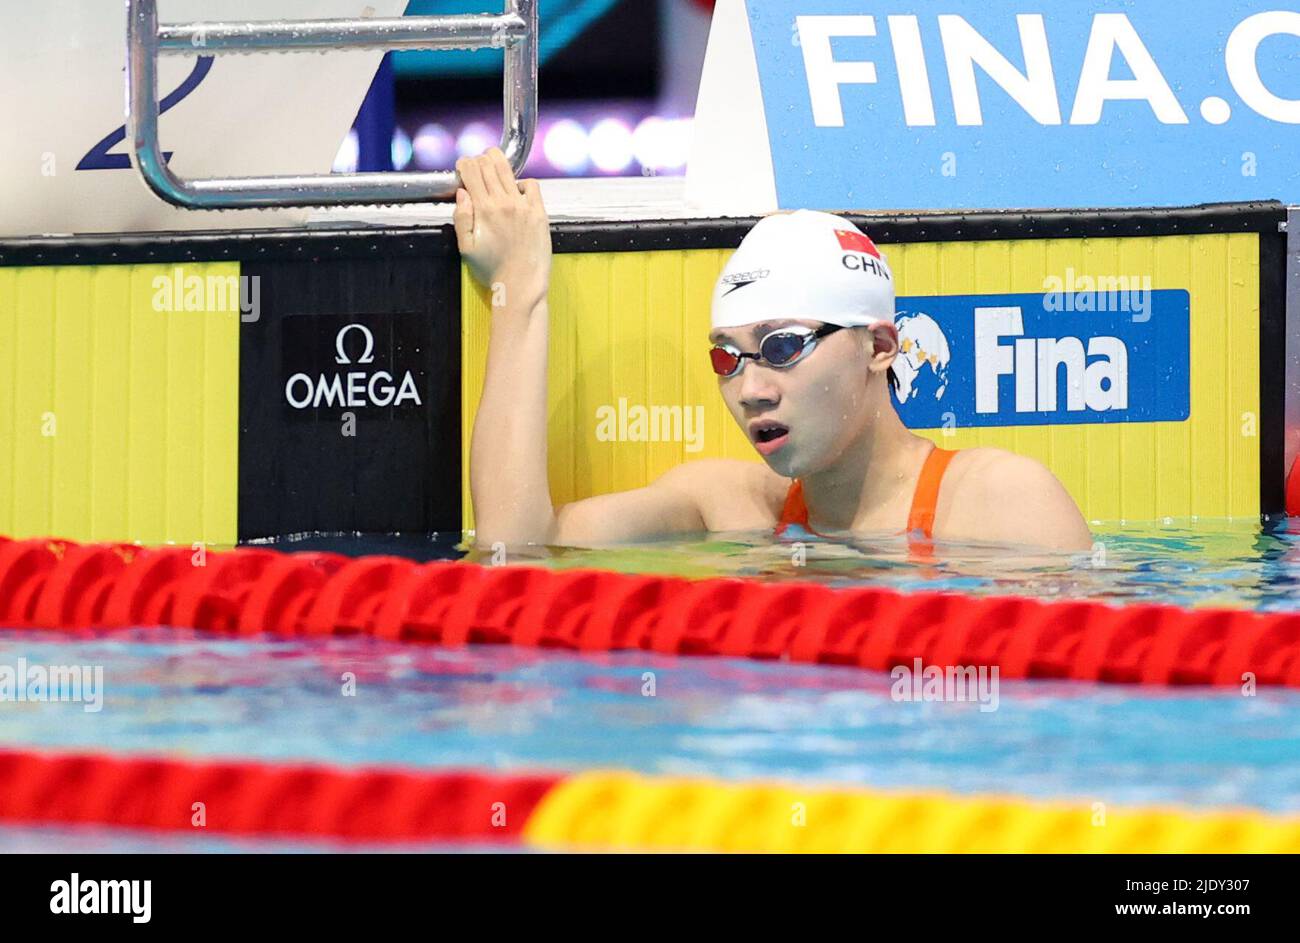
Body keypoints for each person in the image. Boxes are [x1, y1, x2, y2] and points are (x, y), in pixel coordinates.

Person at [455, 148, 1092, 552]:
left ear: (878, 346)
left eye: (782, 347)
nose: (751, 389)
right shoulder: (724, 506)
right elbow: (517, 548)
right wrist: (520, 291)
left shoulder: (998, 504)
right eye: (728, 357)